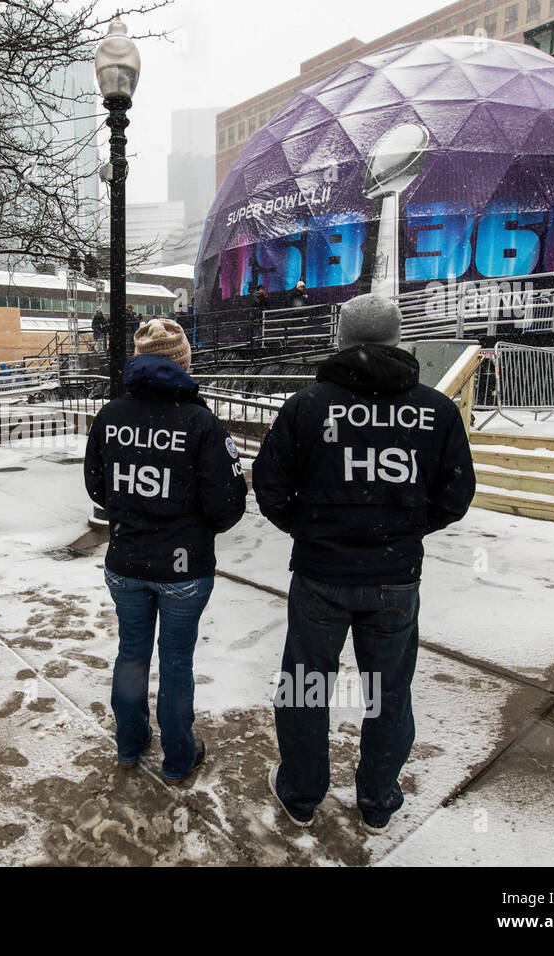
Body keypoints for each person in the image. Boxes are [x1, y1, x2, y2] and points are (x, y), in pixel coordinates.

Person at [252, 294, 476, 835]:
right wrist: (404, 530)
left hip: (321, 576)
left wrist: (311, 530)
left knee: (305, 686)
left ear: (343, 337)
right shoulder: (435, 410)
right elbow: (456, 494)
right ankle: (377, 799)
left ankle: (302, 794)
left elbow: (270, 486)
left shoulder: (307, 405)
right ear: (397, 338)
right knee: (389, 691)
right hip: (394, 579)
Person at [84, 318, 247, 784]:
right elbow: (228, 503)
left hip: (126, 559)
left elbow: (97, 486)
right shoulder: (200, 422)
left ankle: (130, 745)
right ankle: (178, 757)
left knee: (132, 655)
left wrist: (132, 508)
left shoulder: (112, 415)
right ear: (182, 362)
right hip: (183, 567)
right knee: (176, 661)